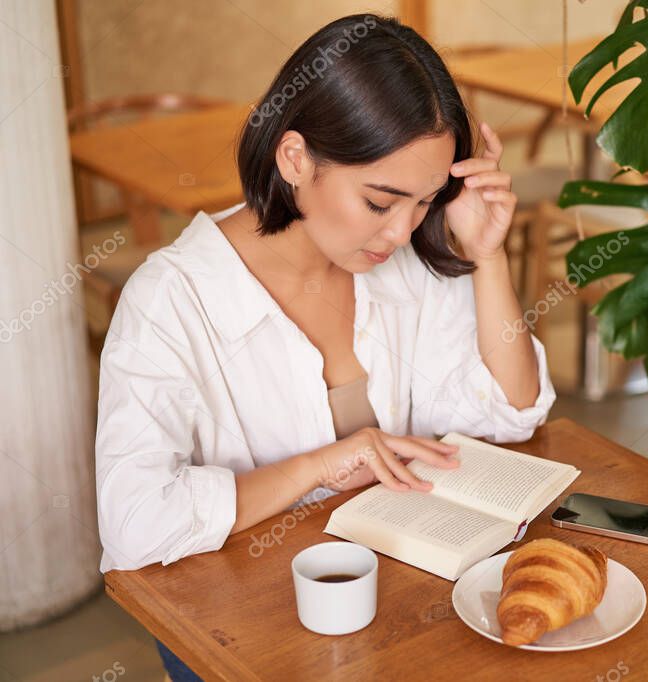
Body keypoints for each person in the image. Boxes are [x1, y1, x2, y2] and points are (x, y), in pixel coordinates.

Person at [94, 12, 555, 581]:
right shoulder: (170, 301)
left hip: (386, 592)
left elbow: (512, 410)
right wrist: (322, 465)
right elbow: (134, 522)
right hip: (230, 621)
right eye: (381, 202)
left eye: (425, 201)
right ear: (295, 159)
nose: (403, 231)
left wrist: (488, 256)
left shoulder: (399, 266)